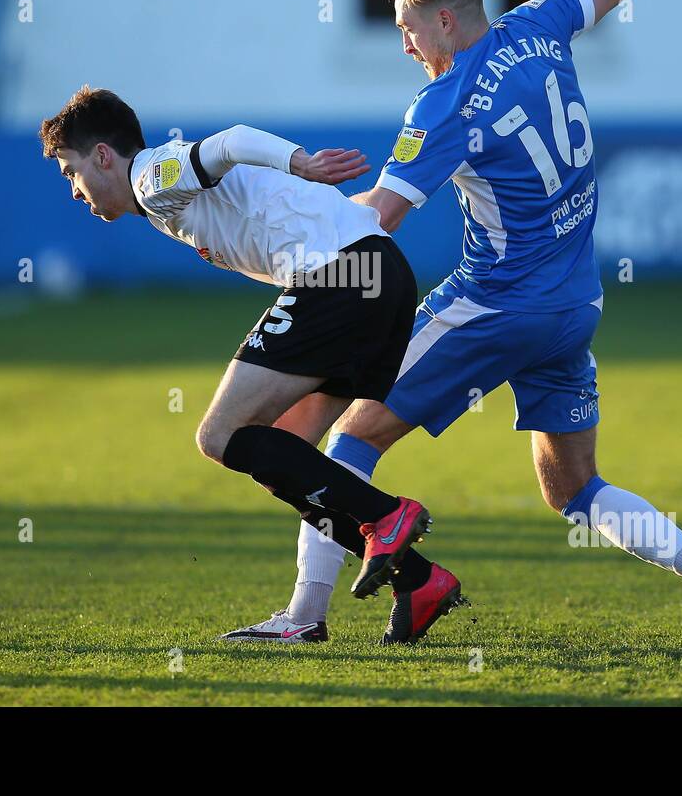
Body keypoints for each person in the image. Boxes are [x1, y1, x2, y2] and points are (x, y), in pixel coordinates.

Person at [223, 0, 682, 644]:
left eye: (408, 28)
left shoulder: (444, 103)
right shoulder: (540, 25)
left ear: (444, 19)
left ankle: (303, 617)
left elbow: (373, 220)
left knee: (350, 436)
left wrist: (257, 235)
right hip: (574, 307)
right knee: (573, 488)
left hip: (496, 302)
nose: (406, 46)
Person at [38, 86, 467, 645]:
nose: (75, 190)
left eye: (71, 170)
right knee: (283, 455)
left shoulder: (149, 175)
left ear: (102, 156)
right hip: (379, 279)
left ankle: (387, 518)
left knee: (219, 435)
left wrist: (302, 163)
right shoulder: (164, 197)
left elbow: (232, 141)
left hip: (339, 280)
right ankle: (403, 584)